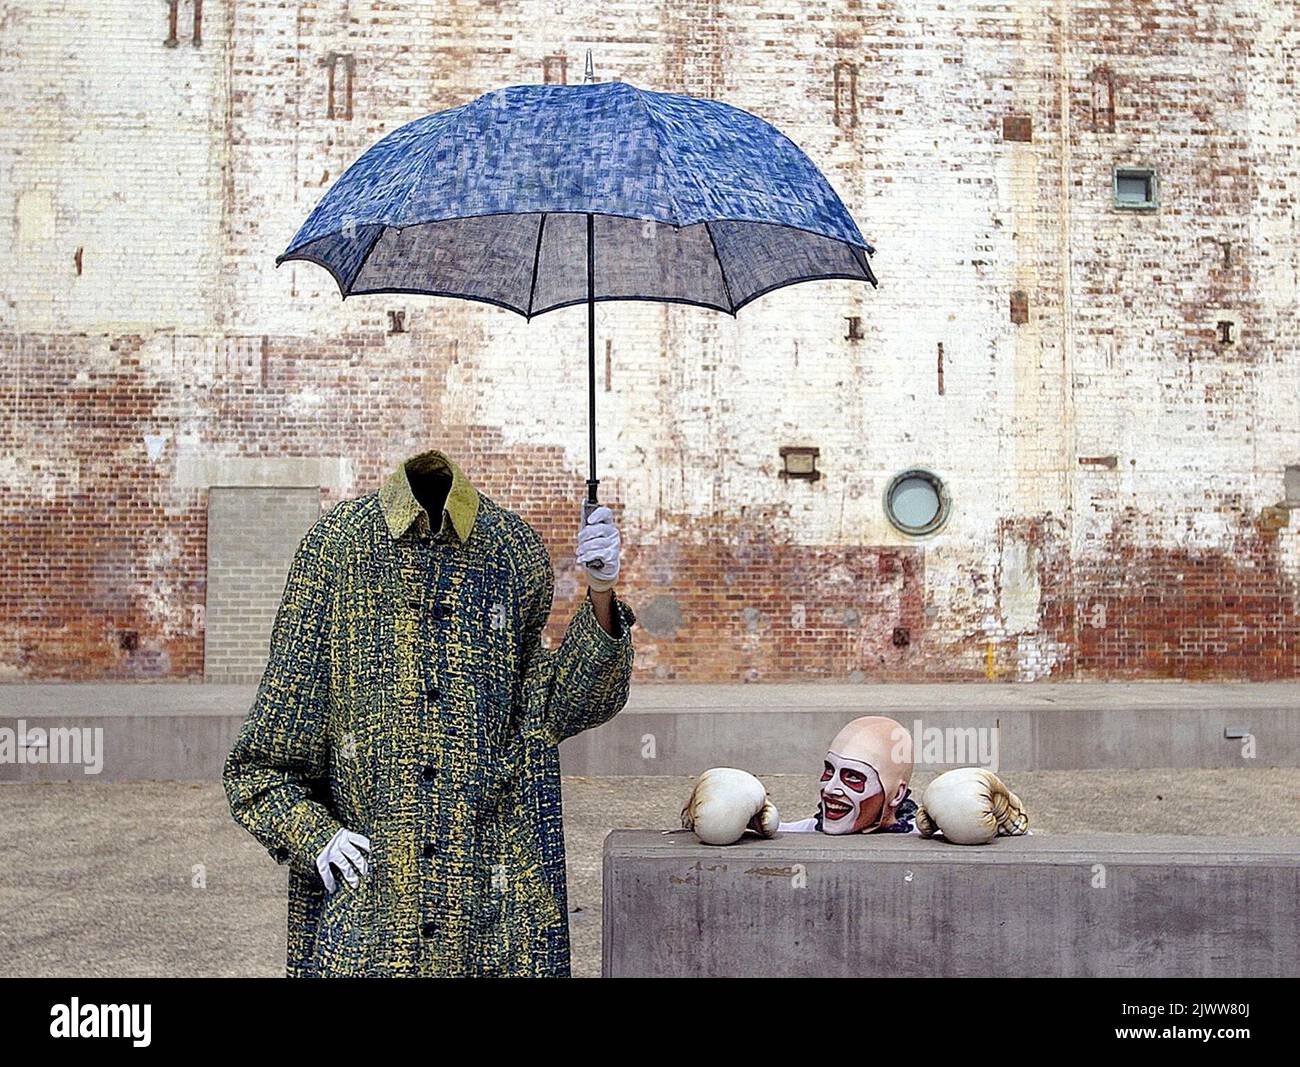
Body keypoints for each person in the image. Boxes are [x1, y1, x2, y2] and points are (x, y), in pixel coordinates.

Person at [222, 447, 636, 977]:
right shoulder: (338, 549)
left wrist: (600, 593)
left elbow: (556, 707)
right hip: (371, 922)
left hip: (492, 922)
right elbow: (261, 766)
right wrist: (315, 837)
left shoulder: (510, 551)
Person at [778, 715, 918, 834]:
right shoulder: (803, 832)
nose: (829, 789)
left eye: (853, 777)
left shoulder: (923, 839)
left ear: (897, 795)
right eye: (830, 770)